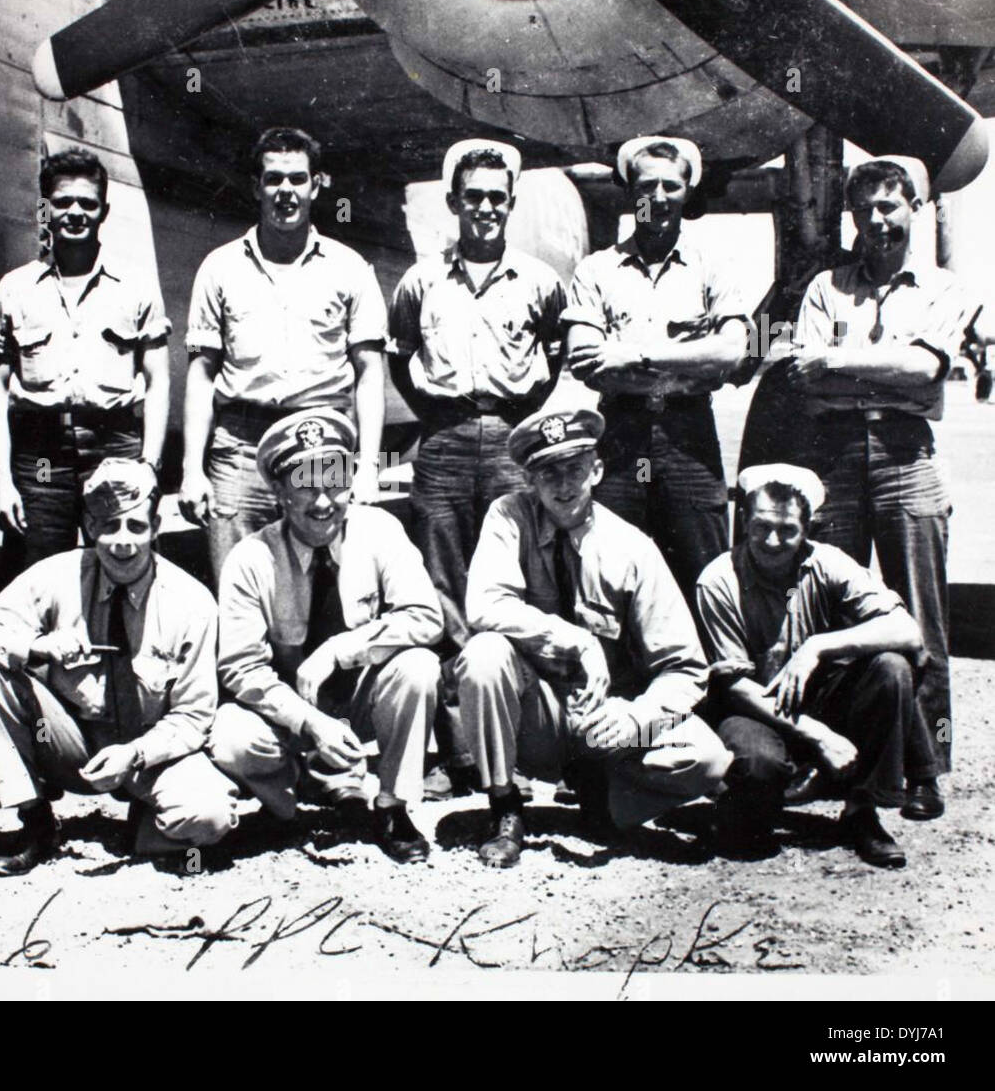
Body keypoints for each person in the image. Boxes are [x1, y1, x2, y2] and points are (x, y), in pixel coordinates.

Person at [783, 155, 980, 819]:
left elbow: (925, 371)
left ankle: (924, 767)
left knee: (920, 614)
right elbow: (803, 379)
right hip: (834, 458)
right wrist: (877, 370)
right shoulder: (824, 289)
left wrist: (840, 362)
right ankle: (831, 756)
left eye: (891, 207)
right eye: (865, 209)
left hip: (905, 455)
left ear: (915, 212)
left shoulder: (945, 290)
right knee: (830, 608)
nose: (877, 221)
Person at [455, 406, 732, 868]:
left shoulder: (632, 548)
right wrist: (575, 639)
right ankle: (505, 806)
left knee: (706, 759)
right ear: (529, 478)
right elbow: (484, 605)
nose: (563, 486)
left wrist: (636, 718)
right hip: (536, 714)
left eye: (575, 470)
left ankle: (604, 799)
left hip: (608, 723)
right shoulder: (507, 517)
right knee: (483, 654)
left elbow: (685, 668)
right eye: (548, 473)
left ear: (597, 470)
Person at [387, 138, 567, 797]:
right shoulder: (421, 281)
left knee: (512, 581)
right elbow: (400, 357)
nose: (485, 208)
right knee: (439, 586)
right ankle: (455, 751)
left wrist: (516, 418)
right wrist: (442, 418)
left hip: (512, 439)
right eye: (474, 198)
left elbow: (556, 355)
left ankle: (518, 742)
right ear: (454, 204)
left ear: (511, 204)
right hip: (443, 439)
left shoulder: (540, 282)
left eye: (497, 198)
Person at [0, 458, 239, 875]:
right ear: (90, 528)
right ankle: (35, 823)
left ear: (156, 528)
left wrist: (135, 755)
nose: (122, 542)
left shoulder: (192, 602)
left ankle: (143, 824)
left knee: (208, 817)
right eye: (109, 527)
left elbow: (193, 715)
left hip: (152, 751)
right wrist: (36, 647)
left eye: (136, 527)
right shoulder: (56, 575)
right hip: (75, 744)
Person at [209, 409, 443, 863]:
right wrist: (308, 722)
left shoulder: (379, 530)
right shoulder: (250, 558)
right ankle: (286, 807)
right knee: (231, 737)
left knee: (419, 668)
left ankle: (393, 807)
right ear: (278, 491)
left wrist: (341, 649)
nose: (323, 501)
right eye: (305, 484)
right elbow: (240, 668)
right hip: (289, 714)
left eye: (335, 481)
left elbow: (426, 617)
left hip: (359, 702)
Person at [179, 127, 388, 583]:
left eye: (297, 179)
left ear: (316, 185)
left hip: (323, 441)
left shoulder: (349, 268)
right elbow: (201, 374)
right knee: (238, 585)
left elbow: (370, 373)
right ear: (257, 187)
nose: (286, 192)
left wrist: (369, 467)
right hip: (240, 450)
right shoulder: (219, 268)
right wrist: (191, 469)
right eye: (273, 179)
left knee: (327, 582)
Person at [696, 464, 924, 868]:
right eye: (762, 525)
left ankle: (862, 810)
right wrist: (819, 737)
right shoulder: (717, 580)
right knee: (755, 791)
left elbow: (907, 630)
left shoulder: (829, 563)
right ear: (745, 520)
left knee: (892, 668)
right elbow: (734, 687)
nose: (772, 540)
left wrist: (819, 646)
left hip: (818, 697)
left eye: (788, 530)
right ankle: (756, 801)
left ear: (809, 530)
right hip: (755, 709)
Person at [563, 136, 751, 599]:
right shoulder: (596, 270)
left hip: (689, 434)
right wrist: (691, 359)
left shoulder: (713, 266)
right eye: (648, 186)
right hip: (621, 432)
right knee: (612, 562)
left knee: (704, 568)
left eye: (672, 186)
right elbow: (587, 361)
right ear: (630, 193)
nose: (659, 197)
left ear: (688, 193)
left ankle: (710, 671)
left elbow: (731, 353)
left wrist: (634, 355)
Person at [0, 148, 171, 569]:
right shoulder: (15, 290)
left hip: (116, 450)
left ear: (103, 211)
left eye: (87, 203)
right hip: (42, 461)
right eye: (63, 202)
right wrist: (2, 480)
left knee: (124, 569)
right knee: (37, 574)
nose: (75, 213)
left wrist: (150, 466)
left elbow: (158, 382)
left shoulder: (136, 288)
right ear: (44, 208)